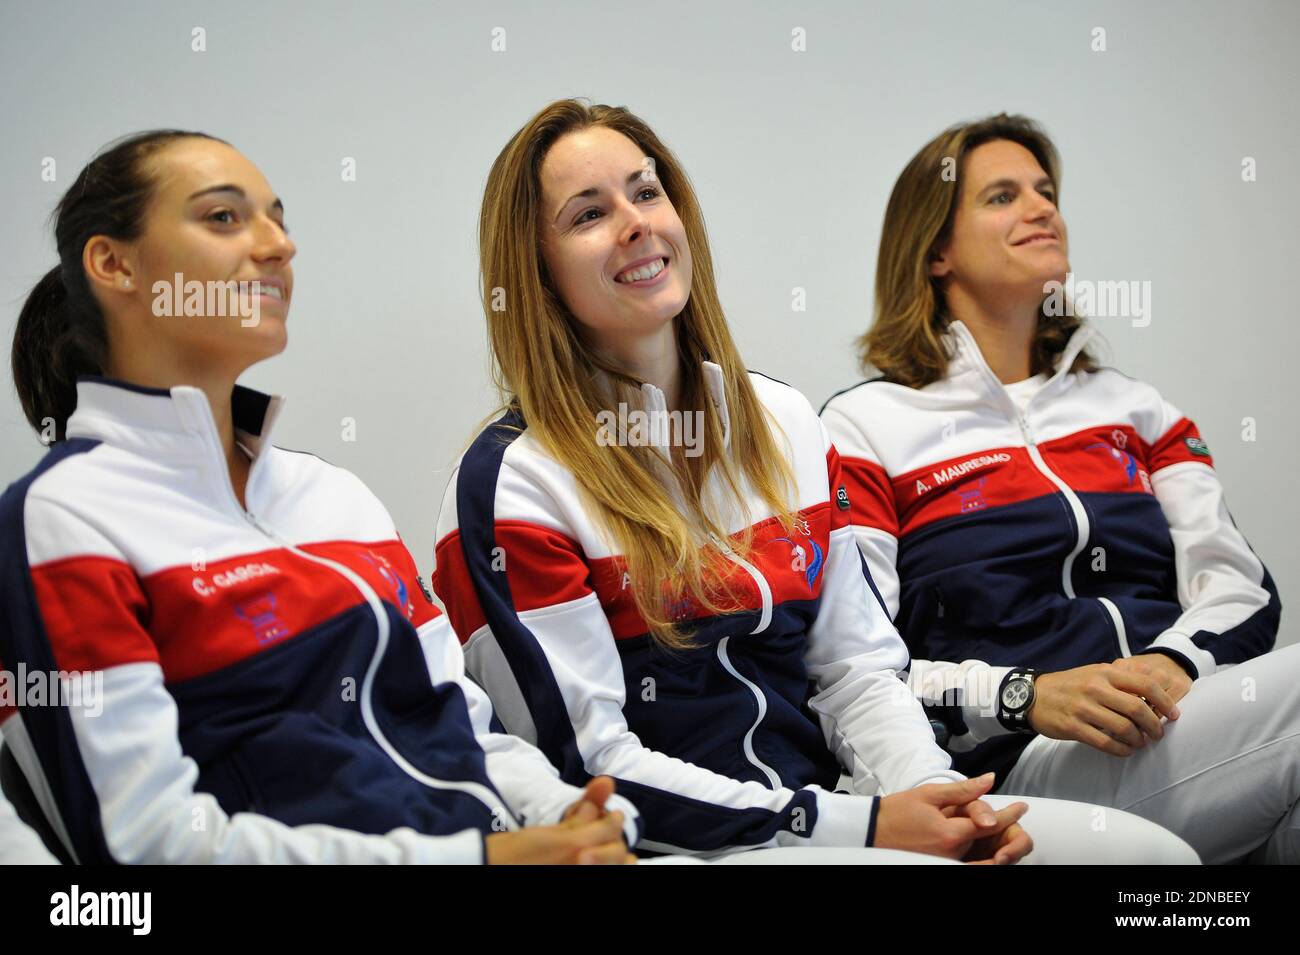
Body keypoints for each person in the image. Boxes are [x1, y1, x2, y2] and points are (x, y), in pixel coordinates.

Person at [431, 99, 1198, 863]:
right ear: (537, 275)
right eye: (588, 213)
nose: (635, 222)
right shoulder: (513, 484)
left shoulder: (782, 418)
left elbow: (858, 673)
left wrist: (940, 802)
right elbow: (589, 770)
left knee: (1157, 867)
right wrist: (857, 829)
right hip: (691, 849)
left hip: (842, 824)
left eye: (646, 190)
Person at [0, 129, 638, 865]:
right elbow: (147, 849)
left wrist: (570, 814)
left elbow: (464, 728)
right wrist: (484, 859)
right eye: (223, 217)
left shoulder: (333, 495)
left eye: (279, 217)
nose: (278, 246)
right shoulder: (63, 517)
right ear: (113, 264)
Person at [820, 112, 1299, 864]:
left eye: (1046, 191)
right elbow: (858, 666)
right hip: (1025, 764)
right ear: (936, 249)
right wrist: (1026, 692)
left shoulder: (1138, 410)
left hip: (1179, 719)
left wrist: (1170, 663)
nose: (1043, 208)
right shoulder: (865, 426)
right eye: (1002, 196)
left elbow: (1239, 586)